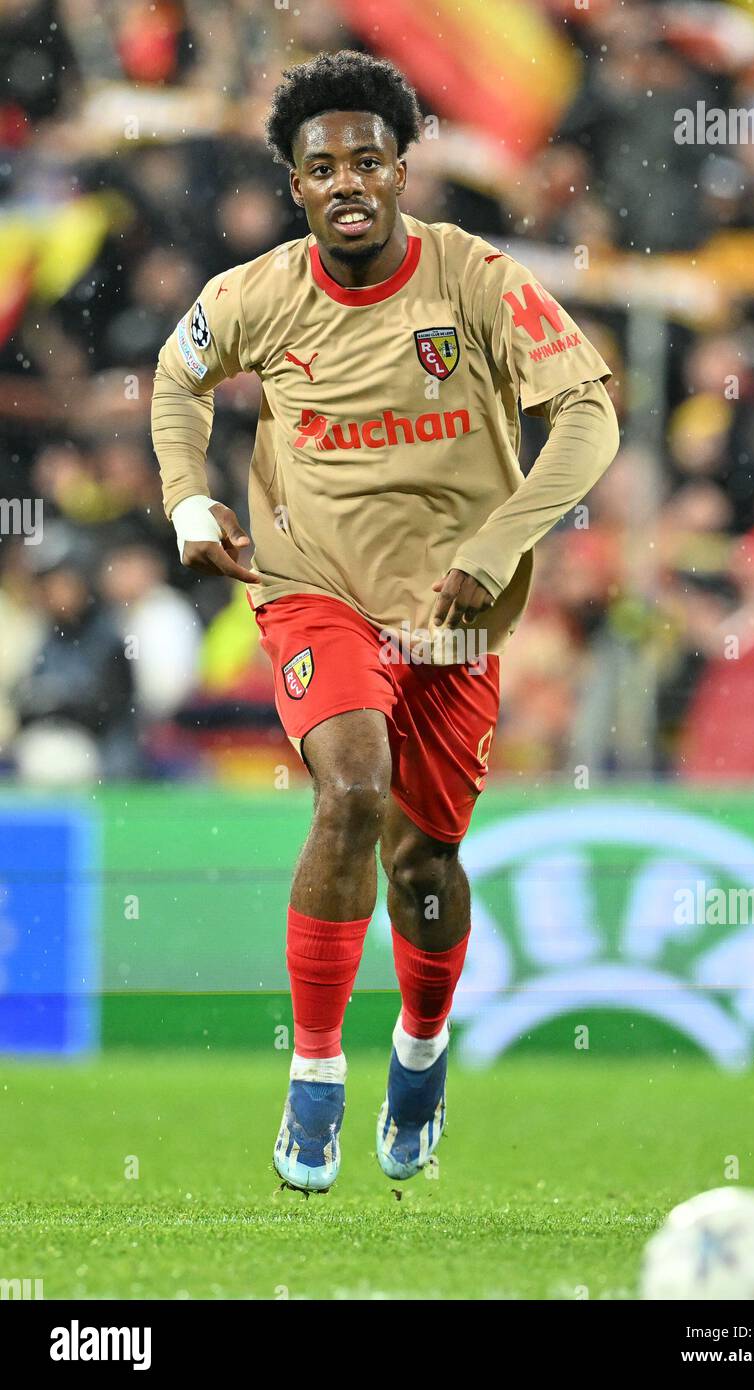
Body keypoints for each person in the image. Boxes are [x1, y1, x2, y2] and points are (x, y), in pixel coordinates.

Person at [151, 51, 619, 1193]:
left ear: (404, 171)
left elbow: (588, 413)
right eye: (323, 166)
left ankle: (419, 1044)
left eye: (369, 158)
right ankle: (315, 1073)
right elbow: (175, 379)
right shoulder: (255, 294)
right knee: (351, 788)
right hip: (312, 588)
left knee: (426, 856)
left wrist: (496, 543)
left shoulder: (473, 279)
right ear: (296, 187)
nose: (348, 178)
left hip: (454, 616)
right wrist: (186, 498)